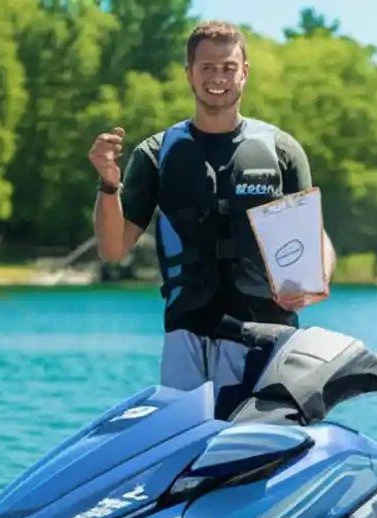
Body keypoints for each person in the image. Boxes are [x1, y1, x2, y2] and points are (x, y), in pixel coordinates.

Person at [88, 20, 335, 396]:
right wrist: (109, 184)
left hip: (269, 335)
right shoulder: (157, 154)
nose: (217, 77)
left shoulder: (281, 150)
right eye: (207, 68)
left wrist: (317, 276)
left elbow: (314, 237)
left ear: (244, 72)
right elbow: (112, 248)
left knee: (262, 450)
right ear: (189, 74)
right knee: (188, 450)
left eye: (228, 67)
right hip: (188, 337)